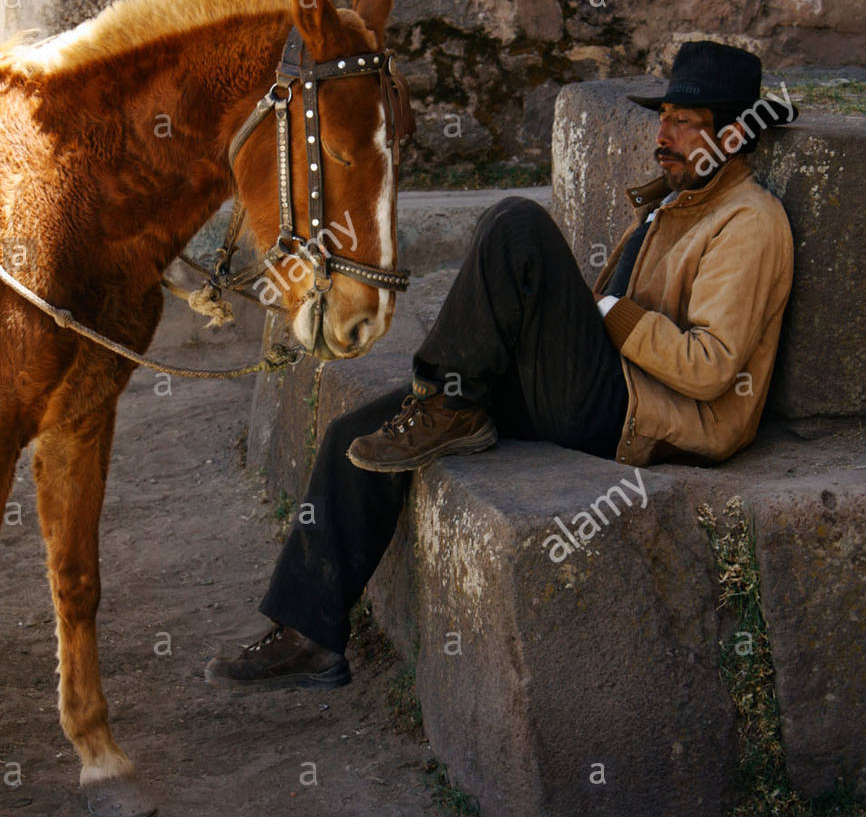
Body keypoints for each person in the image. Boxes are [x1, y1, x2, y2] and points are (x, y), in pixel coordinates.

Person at [205, 40, 796, 691]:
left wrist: (600, 309)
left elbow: (710, 368)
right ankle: (308, 635)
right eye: (664, 118)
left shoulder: (750, 223)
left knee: (517, 223)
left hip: (643, 416)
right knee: (357, 433)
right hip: (607, 385)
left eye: (687, 123)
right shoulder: (675, 202)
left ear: (735, 134)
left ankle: (448, 402)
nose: (665, 134)